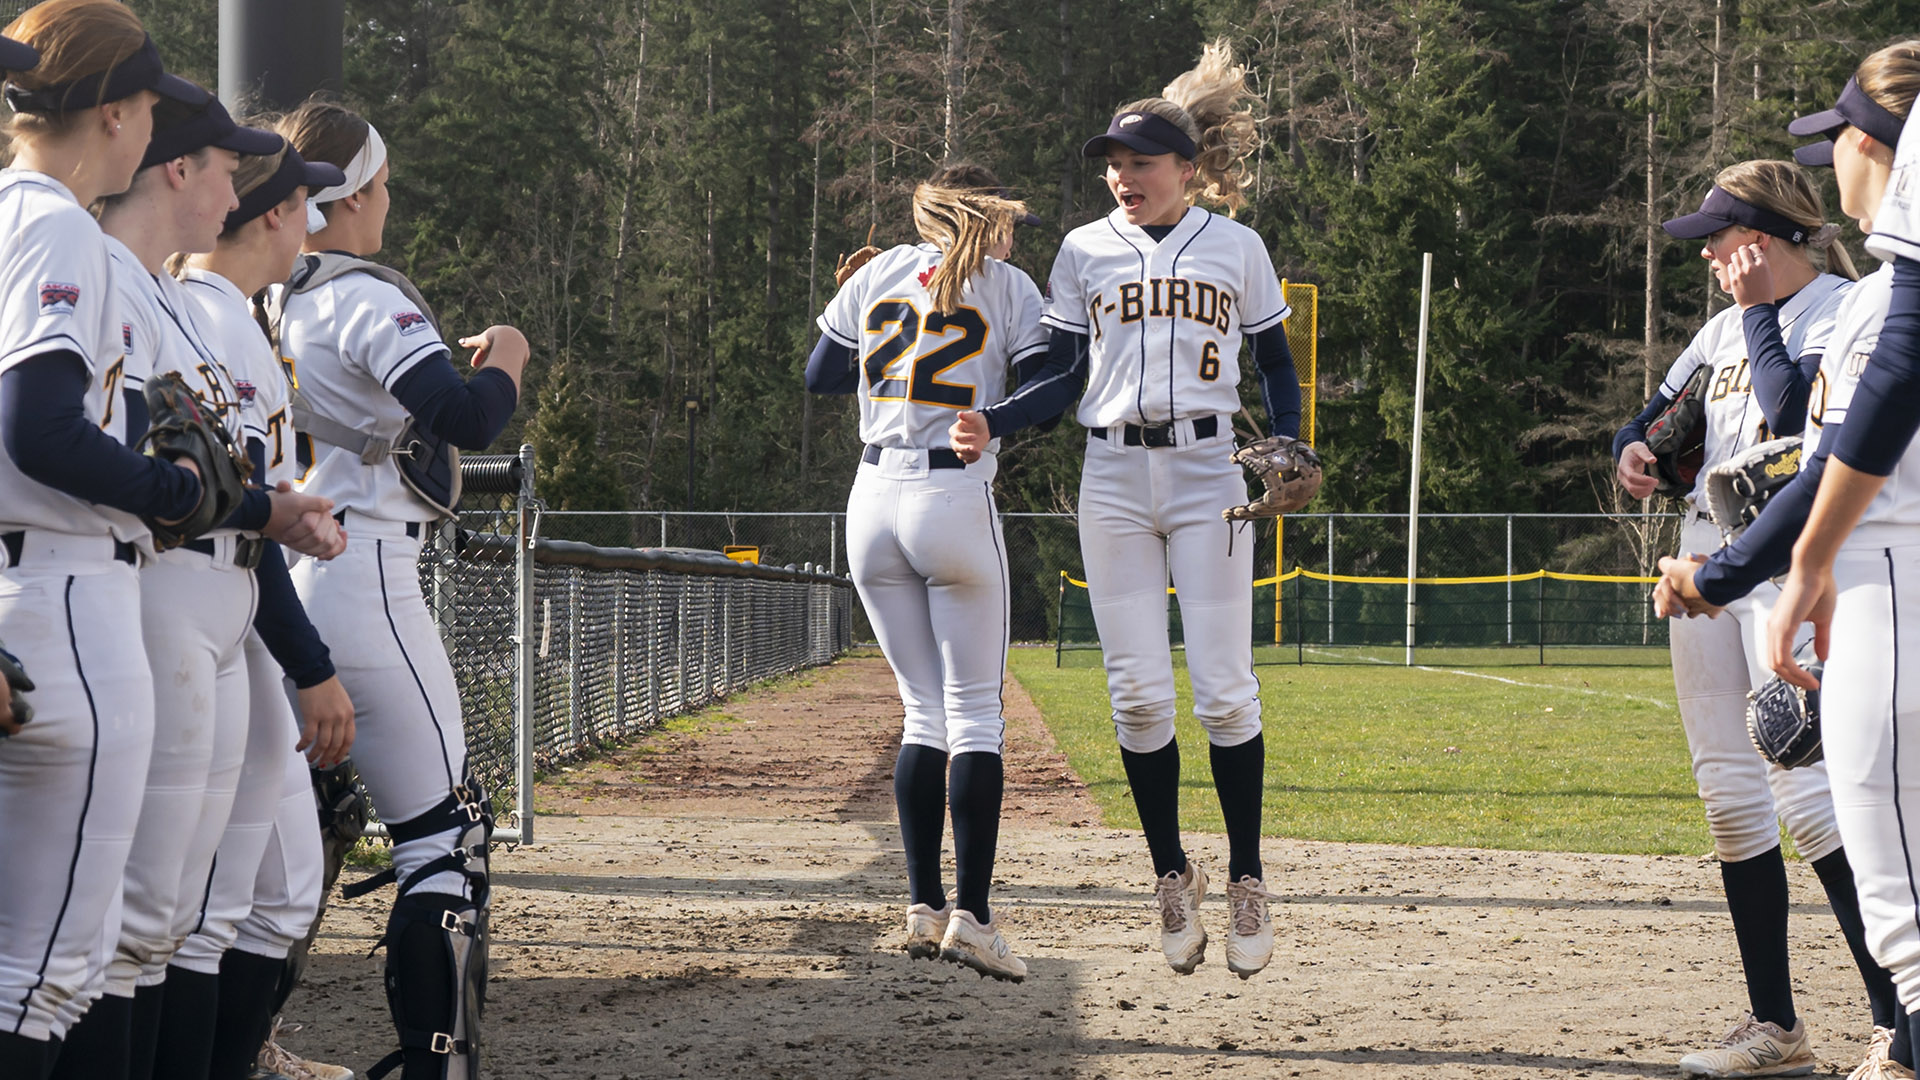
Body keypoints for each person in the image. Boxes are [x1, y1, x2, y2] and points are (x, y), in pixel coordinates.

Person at [0, 5, 329, 1077]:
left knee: (105, 945)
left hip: (85, 591)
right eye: (146, 109)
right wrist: (214, 497)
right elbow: (41, 430)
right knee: (58, 966)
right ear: (120, 117)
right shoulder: (56, 228)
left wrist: (227, 501)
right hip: (75, 589)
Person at [950, 39, 1301, 979]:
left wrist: (1293, 442)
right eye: (1112, 163)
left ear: (1188, 170)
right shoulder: (1082, 250)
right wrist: (994, 418)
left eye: (1140, 162)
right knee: (1140, 694)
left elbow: (1273, 361)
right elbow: (1062, 374)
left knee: (1225, 690)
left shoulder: (1236, 246)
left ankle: (1250, 878)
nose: (1121, 176)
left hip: (1208, 475)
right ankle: (1169, 875)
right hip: (1111, 475)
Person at [271, 97, 530, 1080]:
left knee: (281, 848)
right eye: (379, 186)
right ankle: (439, 1066)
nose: (389, 202)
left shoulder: (274, 296)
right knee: (444, 840)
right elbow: (463, 416)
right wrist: (509, 353)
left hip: (294, 575)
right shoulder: (362, 294)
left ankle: (250, 1041)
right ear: (341, 200)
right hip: (367, 572)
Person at [1622, 155, 1893, 1077]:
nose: (1707, 256)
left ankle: (1897, 1021)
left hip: (1781, 566)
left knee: (1813, 797)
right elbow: (1657, 413)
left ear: (1765, 236)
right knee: (1731, 800)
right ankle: (1776, 1027)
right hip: (1701, 559)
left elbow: (1797, 424)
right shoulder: (1716, 327)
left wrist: (1756, 315)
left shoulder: (1839, 311)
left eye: (1718, 238)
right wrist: (1636, 450)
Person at [808, 162, 1048, 982]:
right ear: (989, 218)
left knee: (921, 713)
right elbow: (1056, 379)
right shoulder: (1005, 281)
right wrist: (1001, 414)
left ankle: (921, 906)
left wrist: (873, 330)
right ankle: (974, 921)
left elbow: (821, 375)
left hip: (871, 496)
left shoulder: (877, 271)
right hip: (952, 492)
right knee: (975, 715)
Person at [1732, 43, 1920, 1080]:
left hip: (1890, 583)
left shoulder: (1890, 300)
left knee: (1904, 919)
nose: (1837, 157)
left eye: (1845, 137)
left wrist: (1768, 570)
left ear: (1879, 145)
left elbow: (1849, 445)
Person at [165, 129, 357, 1080]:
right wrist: (312, 665)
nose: (312, 223)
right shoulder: (217, 319)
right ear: (274, 215)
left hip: (222, 615)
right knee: (195, 915)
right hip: (206, 613)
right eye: (301, 205)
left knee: (254, 901)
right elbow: (246, 518)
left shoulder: (228, 312)